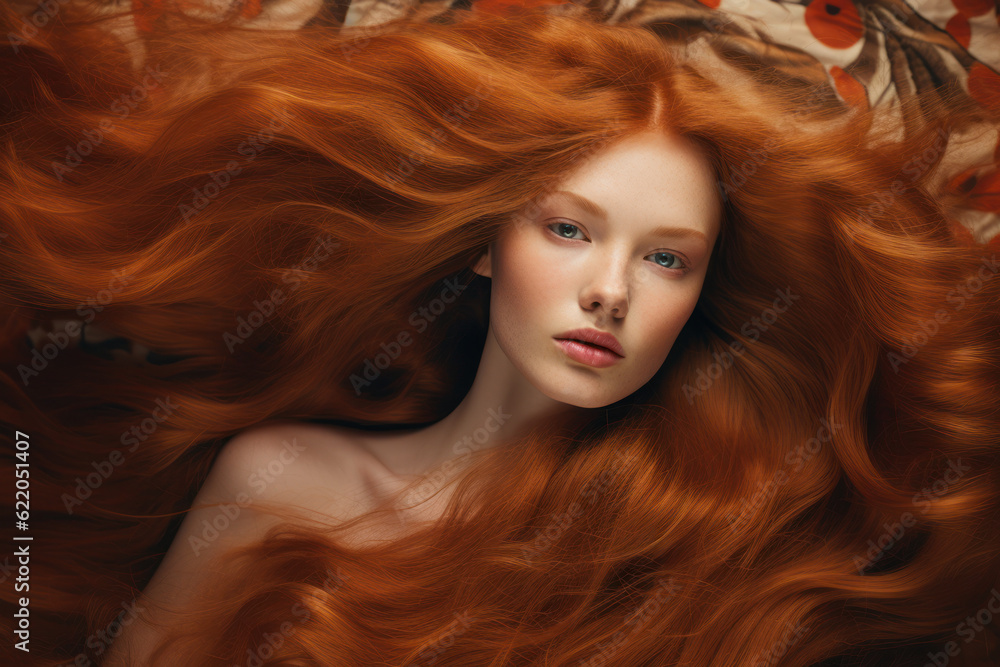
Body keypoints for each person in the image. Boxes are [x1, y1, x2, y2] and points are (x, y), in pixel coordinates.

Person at [0, 2, 998, 666]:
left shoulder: (696, 555)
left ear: (703, 297)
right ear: (484, 247)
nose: (608, 289)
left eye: (666, 258)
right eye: (568, 230)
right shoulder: (281, 479)